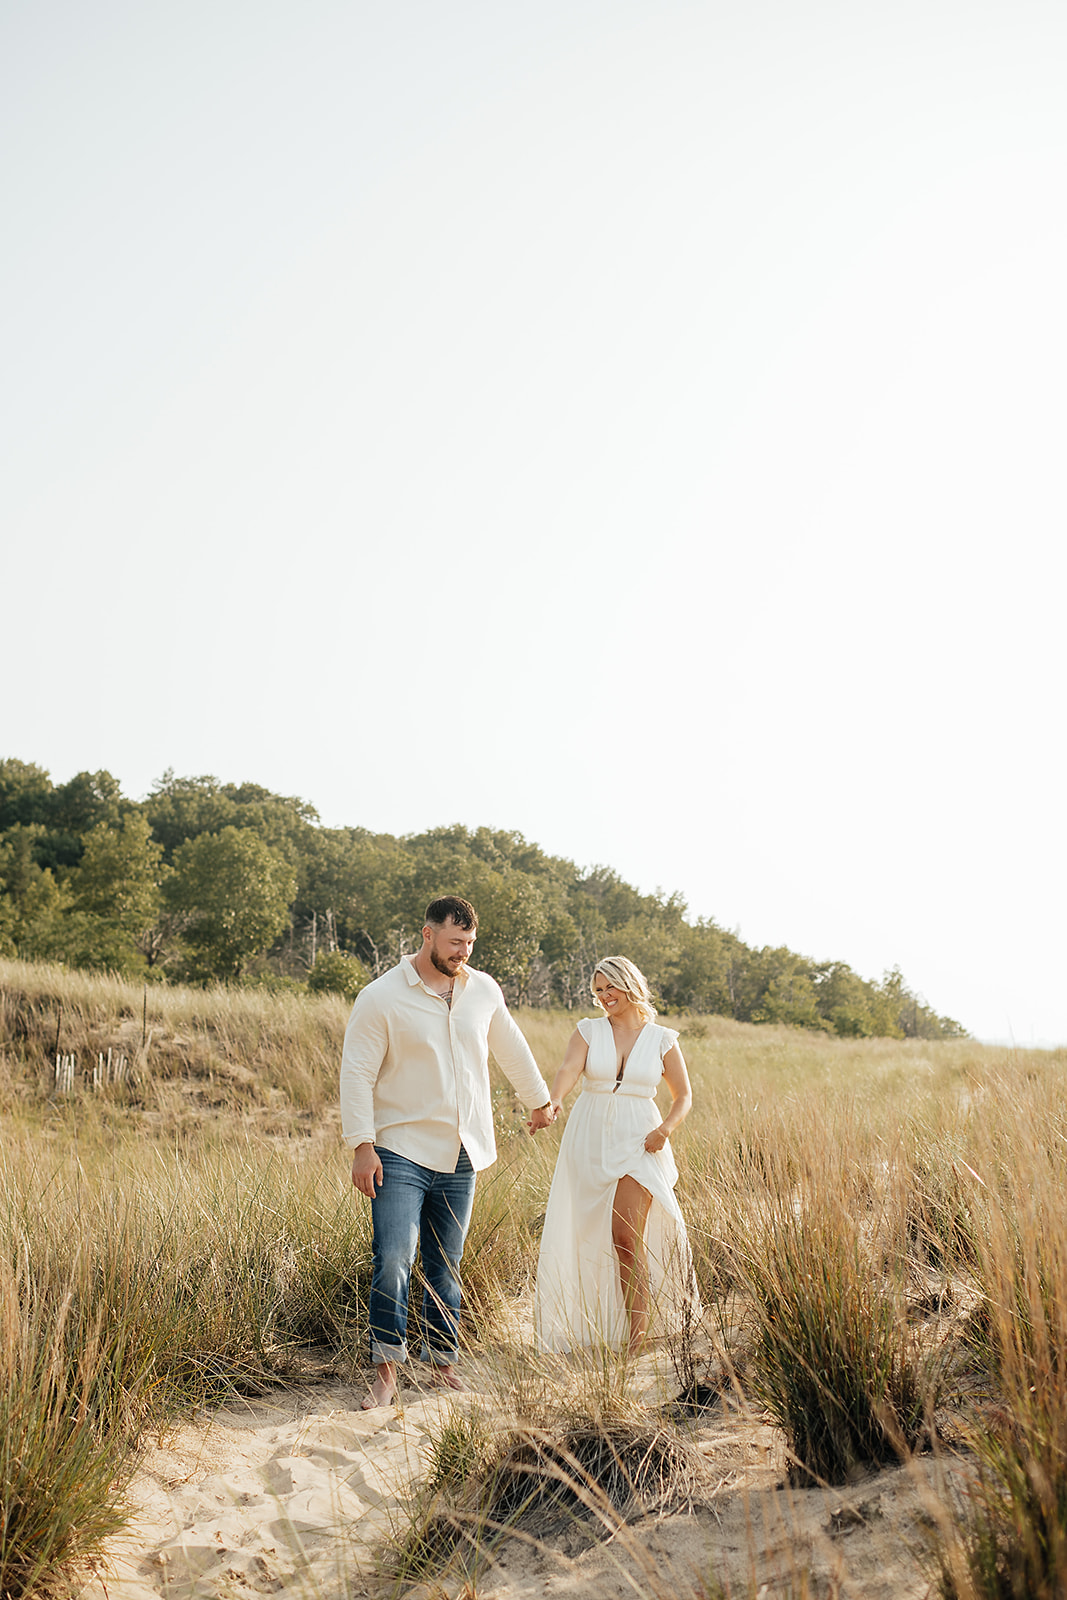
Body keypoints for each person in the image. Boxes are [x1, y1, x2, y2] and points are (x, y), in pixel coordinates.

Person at [341, 895, 555, 1408]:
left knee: (446, 1263)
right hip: (400, 1149)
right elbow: (356, 1074)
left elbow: (512, 1047)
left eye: (470, 943)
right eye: (455, 941)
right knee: (394, 1257)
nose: (464, 952)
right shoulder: (381, 997)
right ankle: (386, 1374)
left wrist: (540, 1100)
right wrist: (362, 1147)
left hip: (463, 1151)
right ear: (428, 934)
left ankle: (443, 1363)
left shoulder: (482, 990)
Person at [534, 956, 698, 1355]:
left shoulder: (662, 1039)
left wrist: (665, 1129)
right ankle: (598, 1326)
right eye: (598, 990)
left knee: (626, 1237)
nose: (605, 996)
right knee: (589, 1231)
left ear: (630, 985)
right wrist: (554, 1100)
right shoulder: (588, 1031)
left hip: (641, 1138)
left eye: (611, 987)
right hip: (590, 1135)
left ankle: (638, 1338)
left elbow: (683, 1096)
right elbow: (569, 1069)